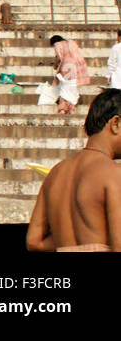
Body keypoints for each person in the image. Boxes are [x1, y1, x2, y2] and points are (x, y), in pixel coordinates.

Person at [27, 89, 121, 251]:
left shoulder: (56, 172)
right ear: (116, 123)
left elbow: (34, 242)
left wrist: (72, 245)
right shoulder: (114, 173)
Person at [49, 35, 91, 115]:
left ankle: (63, 108)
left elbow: (59, 57)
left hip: (66, 67)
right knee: (72, 86)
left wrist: (55, 65)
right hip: (75, 67)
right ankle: (71, 107)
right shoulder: (72, 43)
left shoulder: (57, 44)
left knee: (64, 87)